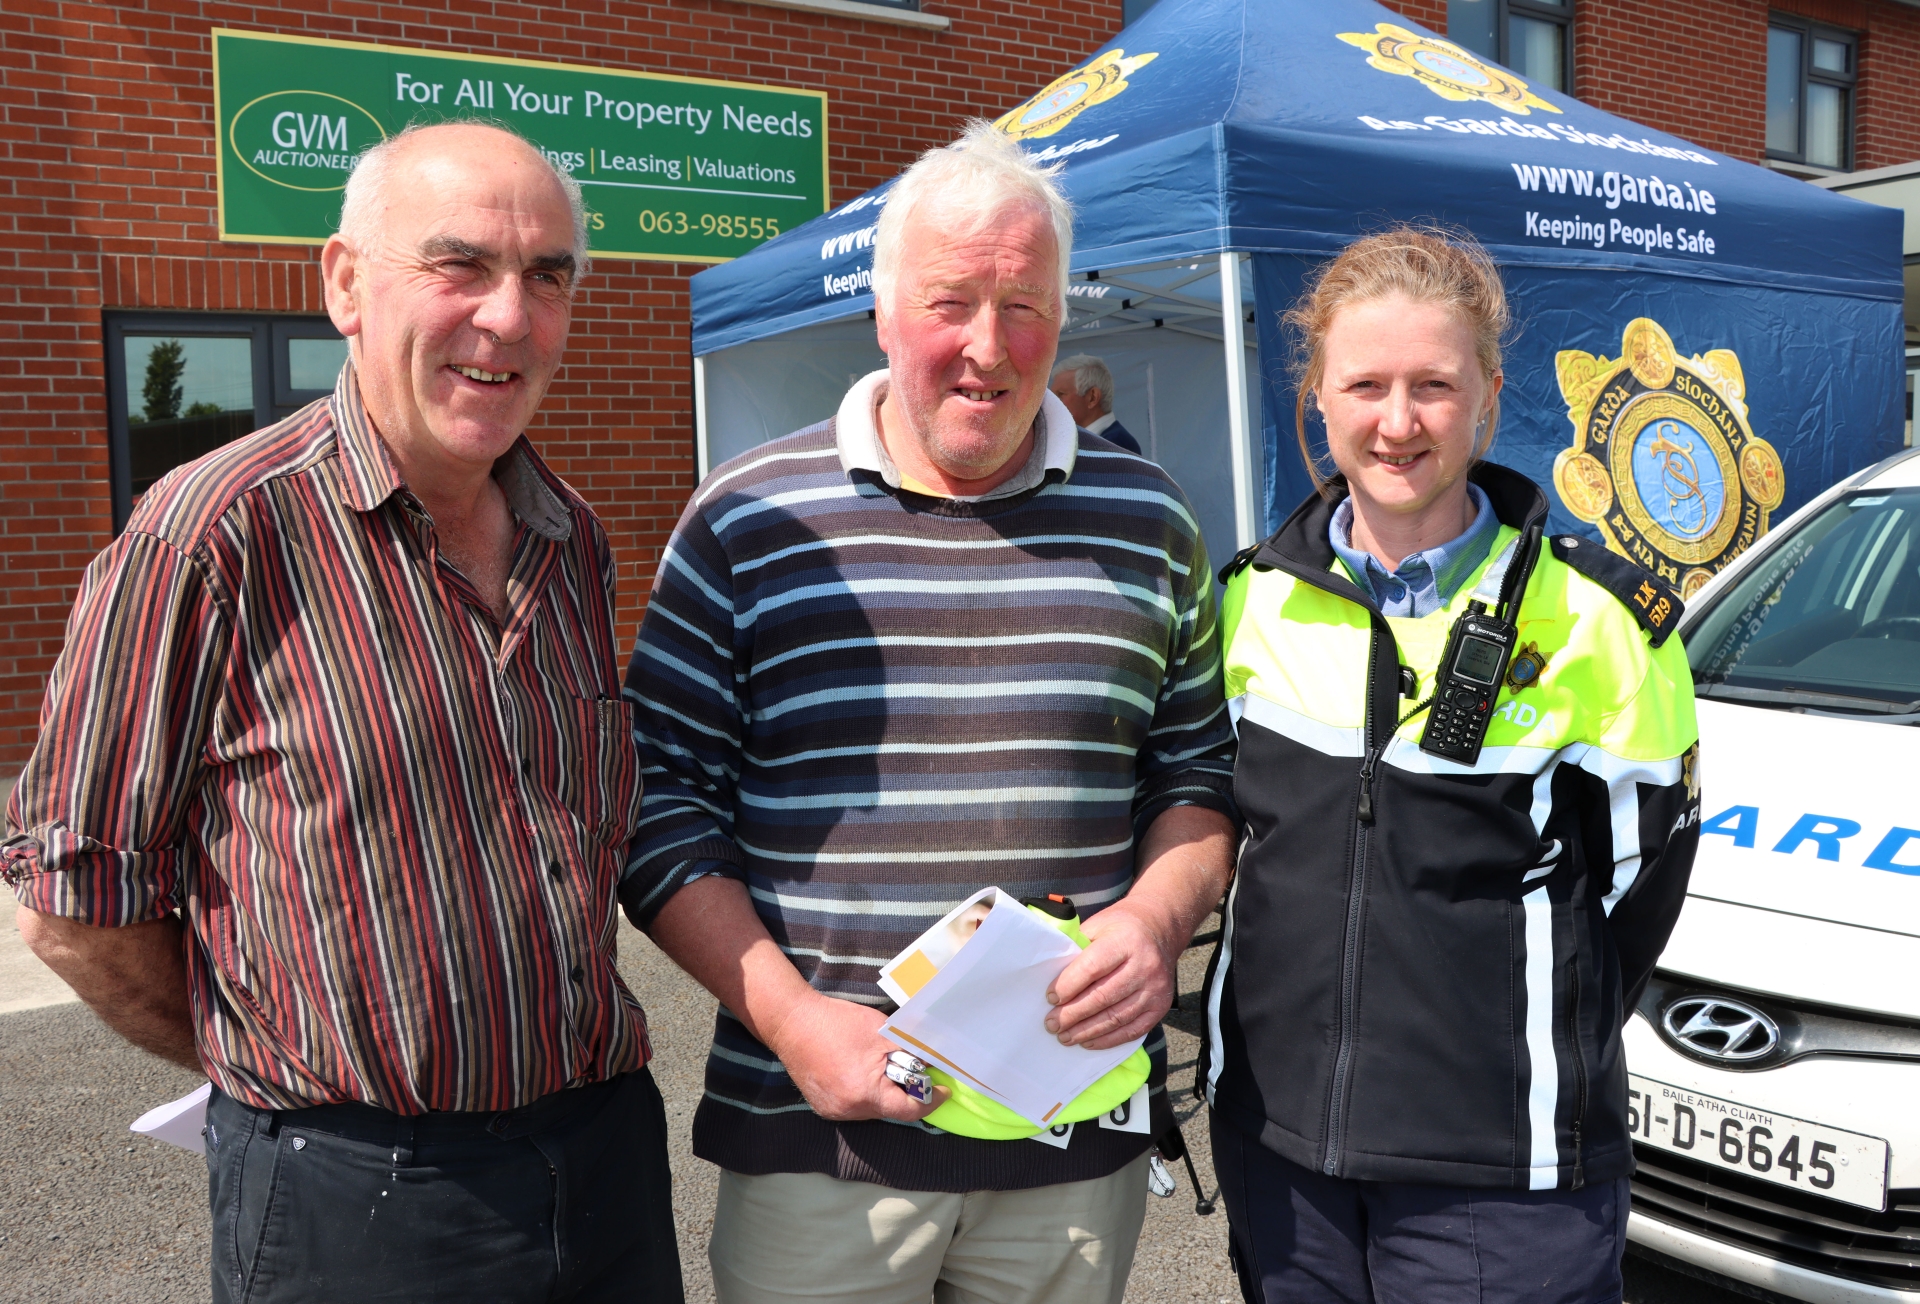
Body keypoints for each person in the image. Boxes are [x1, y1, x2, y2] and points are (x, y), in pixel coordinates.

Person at [3, 122, 682, 1304]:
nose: (509, 317)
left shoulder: (569, 537)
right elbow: (74, 904)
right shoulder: (211, 533)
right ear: (346, 283)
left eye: (548, 275)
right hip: (355, 1196)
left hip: (606, 1158)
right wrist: (272, 1065)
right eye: (459, 265)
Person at [624, 121, 1238, 1304]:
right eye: (950, 301)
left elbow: (1195, 776)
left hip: (1068, 1129)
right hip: (820, 1138)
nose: (987, 348)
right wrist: (795, 1019)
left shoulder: (1152, 517)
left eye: (1024, 307)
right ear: (883, 307)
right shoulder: (748, 519)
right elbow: (657, 803)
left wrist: (1158, 923)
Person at [1200, 227, 1700, 1304]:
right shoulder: (1245, 599)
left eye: (1433, 384)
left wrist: (1501, 1038)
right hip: (1281, 1150)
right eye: (1365, 384)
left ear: (1487, 394)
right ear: (1319, 397)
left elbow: (1639, 884)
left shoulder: (1603, 620)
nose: (1396, 421)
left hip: (1499, 1175)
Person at [1050, 353, 1143, 453]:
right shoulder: (1098, 442)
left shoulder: (1115, 447)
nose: (1052, 402)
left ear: (1092, 398)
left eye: (1060, 394)